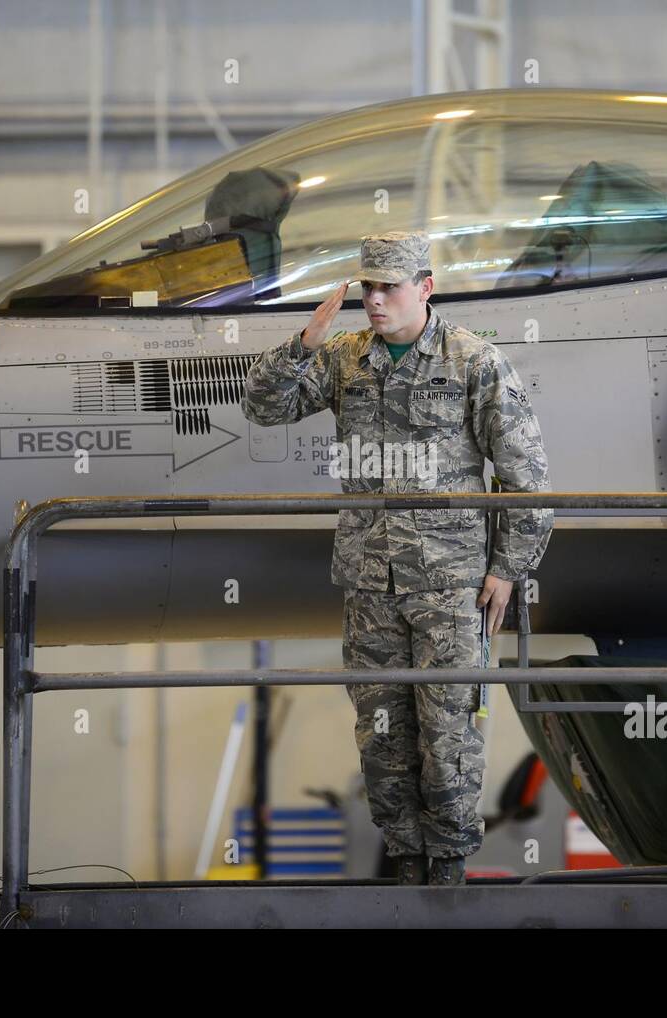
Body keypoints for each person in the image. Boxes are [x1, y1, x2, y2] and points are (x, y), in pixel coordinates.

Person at [242, 230, 552, 886]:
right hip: (370, 581)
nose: (376, 301)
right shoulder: (346, 359)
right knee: (381, 737)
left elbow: (527, 474)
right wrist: (303, 345)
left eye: (390, 287)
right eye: (368, 288)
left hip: (450, 583)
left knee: (448, 734)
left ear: (425, 287)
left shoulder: (475, 361)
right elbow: (262, 407)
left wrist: (507, 568)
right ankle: (405, 864)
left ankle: (449, 868)